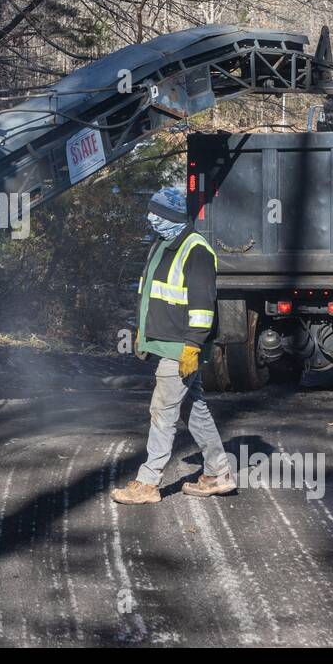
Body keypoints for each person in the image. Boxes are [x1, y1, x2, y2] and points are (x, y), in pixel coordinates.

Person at [111, 187, 237, 504]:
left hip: (180, 348)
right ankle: (218, 474)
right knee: (193, 410)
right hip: (165, 343)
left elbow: (202, 306)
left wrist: (192, 346)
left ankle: (148, 483)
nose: (151, 218)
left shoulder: (197, 250)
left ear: (170, 217)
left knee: (162, 413)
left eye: (157, 213)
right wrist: (143, 333)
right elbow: (150, 295)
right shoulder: (163, 244)